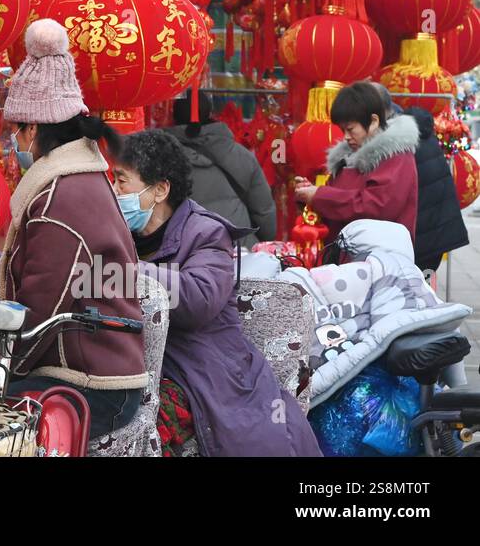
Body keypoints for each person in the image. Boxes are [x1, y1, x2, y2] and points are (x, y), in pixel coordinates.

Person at [0, 19, 145, 438]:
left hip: (89, 383)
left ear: (33, 131)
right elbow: (54, 279)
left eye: (16, 131)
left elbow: (41, 312)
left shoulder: (61, 199)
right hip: (87, 369)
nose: (14, 143)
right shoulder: (80, 181)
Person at [114, 130, 321, 456]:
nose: (114, 191)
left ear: (160, 189)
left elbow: (199, 298)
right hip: (142, 363)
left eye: (122, 181)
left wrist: (125, 269)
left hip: (207, 369)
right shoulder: (118, 233)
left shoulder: (208, 233)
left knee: (138, 422)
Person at [294, 81, 419, 243]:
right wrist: (309, 195)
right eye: (343, 130)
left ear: (373, 122)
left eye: (350, 129)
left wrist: (319, 195)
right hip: (347, 252)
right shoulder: (348, 156)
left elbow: (377, 206)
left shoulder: (396, 156)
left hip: (377, 256)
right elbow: (337, 201)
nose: (346, 136)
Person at [370, 84, 469, 273]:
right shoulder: (413, 129)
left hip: (422, 238)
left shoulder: (397, 140)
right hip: (434, 233)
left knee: (411, 293)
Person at [165, 92, 276, 245]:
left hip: (186, 251)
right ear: (210, 114)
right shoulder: (242, 155)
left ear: (173, 116)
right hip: (238, 250)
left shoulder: (164, 160)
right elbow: (264, 213)